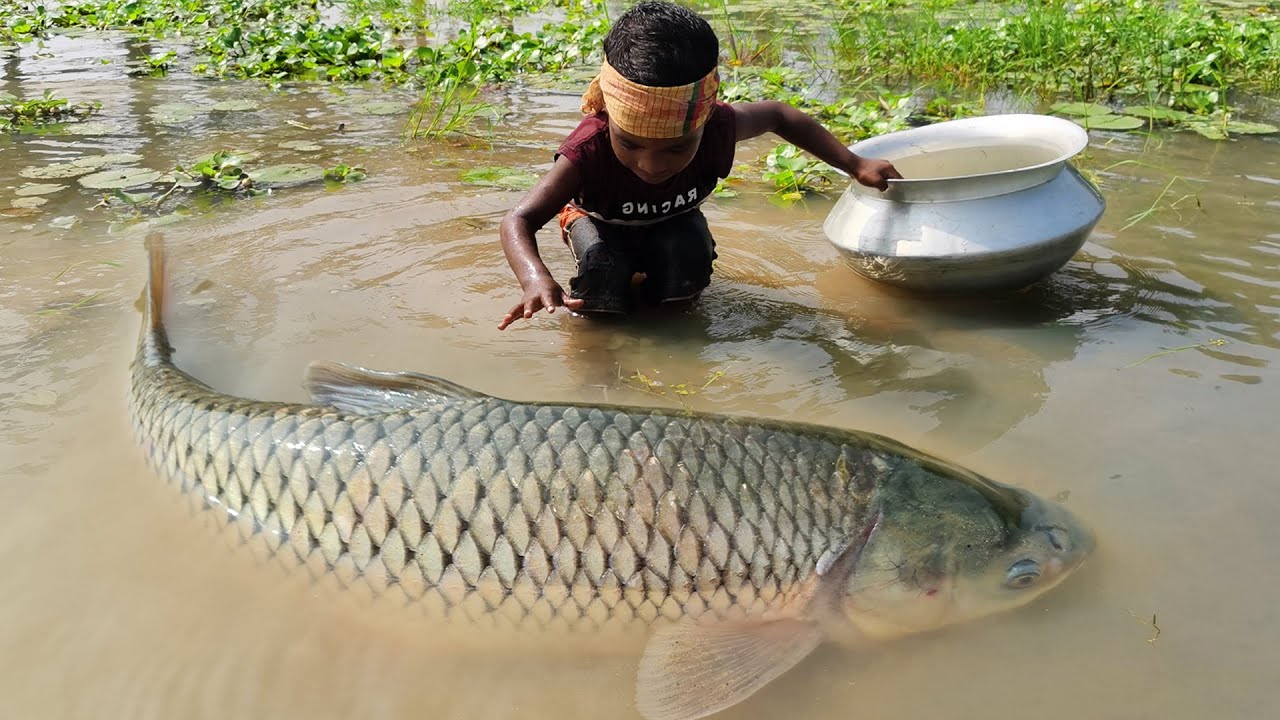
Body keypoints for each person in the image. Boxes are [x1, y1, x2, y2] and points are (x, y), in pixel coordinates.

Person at [496, 1, 901, 331]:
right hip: (600, 224)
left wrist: (854, 163)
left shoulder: (720, 127)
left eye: (675, 149)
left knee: (683, 272)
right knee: (602, 285)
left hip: (674, 222)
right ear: (611, 123)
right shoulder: (587, 151)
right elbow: (519, 220)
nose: (651, 165)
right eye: (631, 144)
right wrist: (535, 277)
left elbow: (780, 115)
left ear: (702, 122)